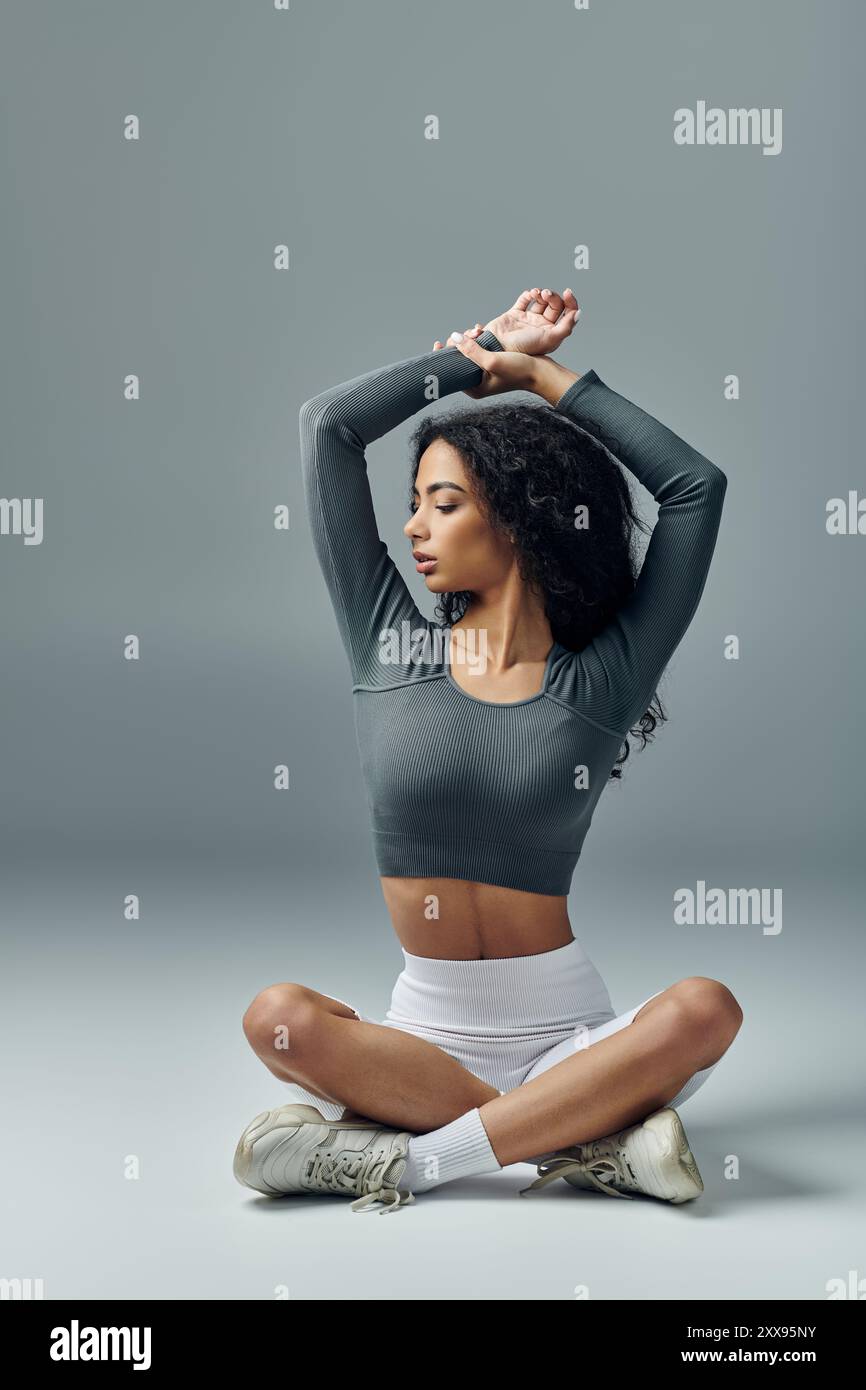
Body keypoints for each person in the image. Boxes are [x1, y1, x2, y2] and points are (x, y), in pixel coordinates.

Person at [233, 287, 743, 1214]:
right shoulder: (391, 643)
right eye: (414, 505)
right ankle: (586, 1139)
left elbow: (695, 489)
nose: (414, 529)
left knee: (706, 1007)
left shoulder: (602, 677)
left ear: (515, 514)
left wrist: (547, 379)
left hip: (572, 1036)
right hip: (420, 1037)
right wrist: (478, 356)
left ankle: (411, 1158)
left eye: (444, 503)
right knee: (278, 1021)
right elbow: (328, 430)